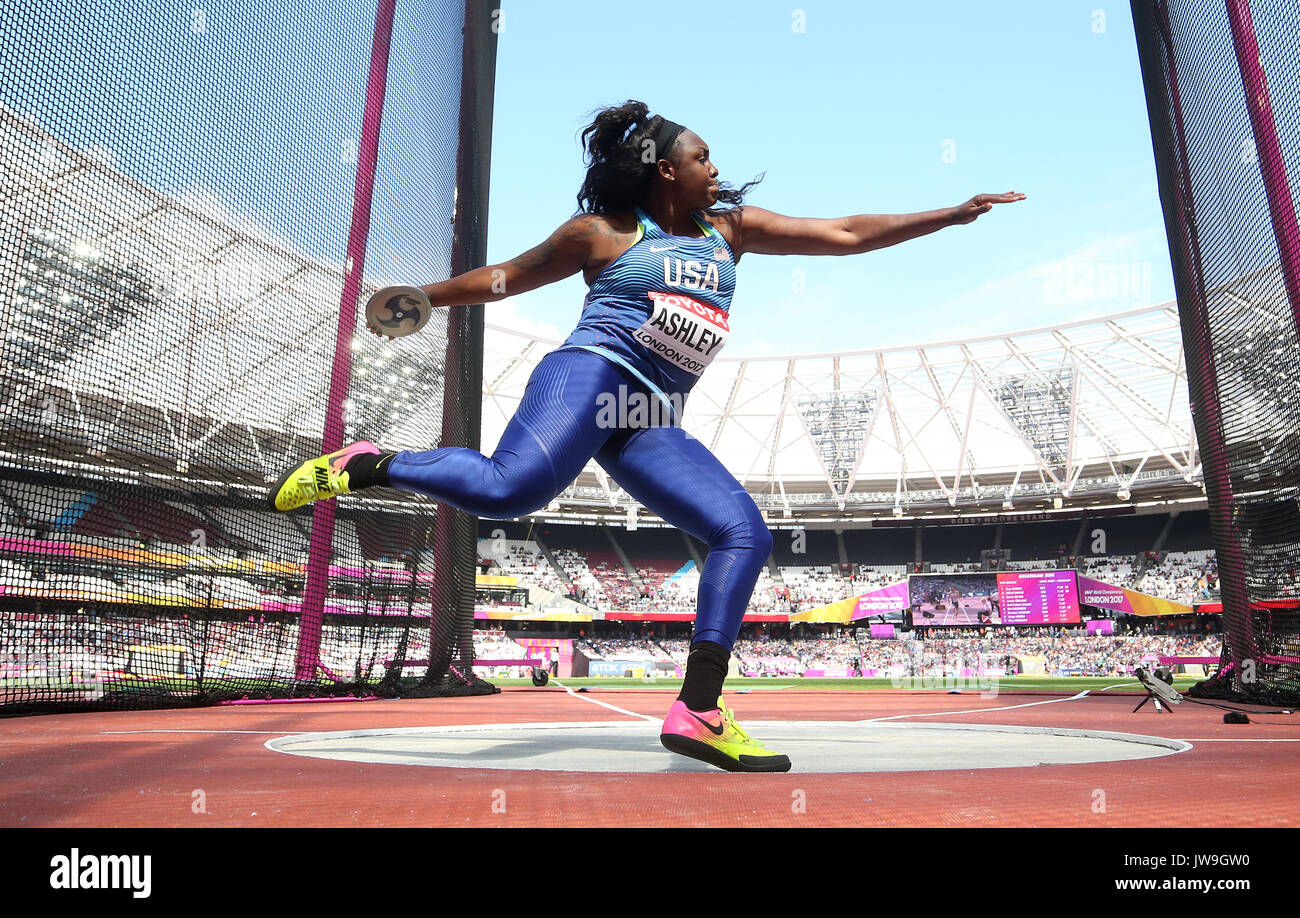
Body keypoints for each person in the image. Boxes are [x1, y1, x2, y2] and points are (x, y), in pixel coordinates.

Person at [269, 99, 1024, 772]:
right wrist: (422, 298)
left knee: (743, 532)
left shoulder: (730, 231)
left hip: (650, 416)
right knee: (508, 490)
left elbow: (847, 232)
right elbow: (508, 276)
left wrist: (946, 215)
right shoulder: (601, 234)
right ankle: (373, 463)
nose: (715, 166)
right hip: (589, 376)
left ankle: (698, 709)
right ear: (667, 170)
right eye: (702, 157)